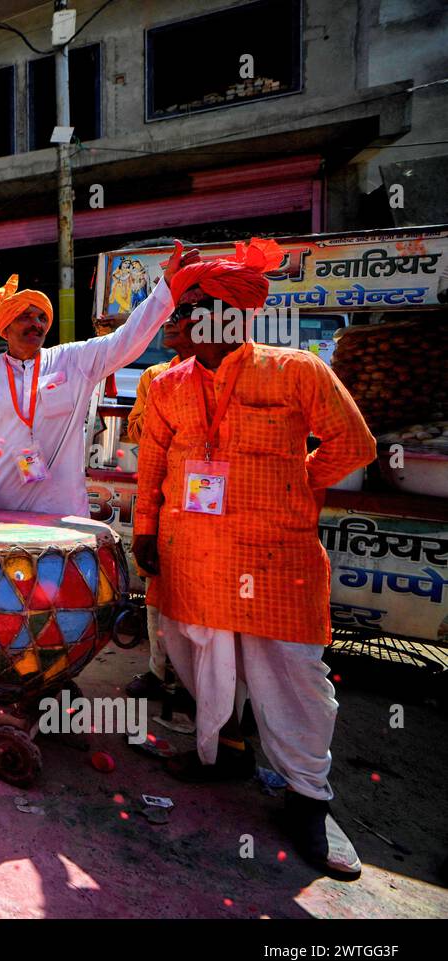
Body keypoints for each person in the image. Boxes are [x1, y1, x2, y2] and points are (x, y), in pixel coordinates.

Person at [131, 238, 377, 880]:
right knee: (197, 651)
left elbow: (352, 445)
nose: (175, 325)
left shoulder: (296, 370)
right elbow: (153, 464)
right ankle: (229, 752)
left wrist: (296, 484)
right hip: (191, 555)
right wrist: (146, 529)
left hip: (275, 557)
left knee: (289, 673)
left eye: (185, 311)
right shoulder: (164, 384)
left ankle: (308, 801)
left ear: (225, 313)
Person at [0, 245, 196, 517]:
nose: (36, 323)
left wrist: (166, 288)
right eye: (25, 316)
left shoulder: (71, 360)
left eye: (42, 318)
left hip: (58, 508)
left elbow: (125, 339)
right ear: (5, 327)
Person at [122, 307, 197, 703]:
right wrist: (162, 405)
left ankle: (201, 686)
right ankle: (158, 669)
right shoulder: (155, 377)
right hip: (164, 500)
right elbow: (135, 430)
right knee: (157, 593)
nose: (171, 322)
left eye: (183, 314)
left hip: (207, 509)